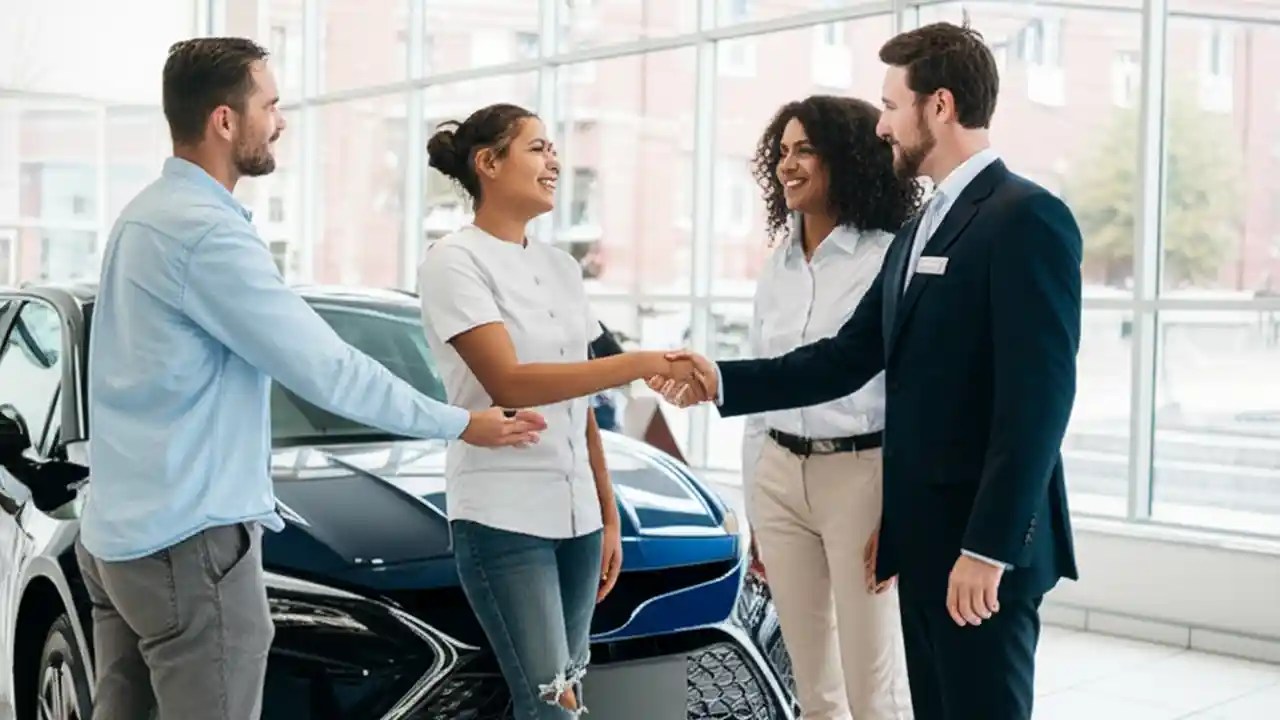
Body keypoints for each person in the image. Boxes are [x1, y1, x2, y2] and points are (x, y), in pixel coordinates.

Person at [77, 38, 546, 720]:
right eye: (269, 105)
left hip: (120, 537)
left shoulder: (144, 216)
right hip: (186, 543)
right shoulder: (206, 233)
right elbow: (326, 368)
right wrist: (461, 421)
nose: (281, 121)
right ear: (225, 120)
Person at [656, 22, 1082, 720]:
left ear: (939, 106)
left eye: (890, 105)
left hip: (981, 549)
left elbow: (1039, 401)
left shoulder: (1026, 216)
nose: (882, 125)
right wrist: (720, 380)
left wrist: (988, 549)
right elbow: (849, 357)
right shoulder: (920, 231)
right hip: (926, 540)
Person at [418, 103, 697, 719]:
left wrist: (608, 514)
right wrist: (638, 362)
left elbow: (580, 404)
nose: (555, 161)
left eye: (552, 148)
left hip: (578, 519)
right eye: (537, 147)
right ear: (488, 163)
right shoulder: (454, 261)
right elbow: (510, 382)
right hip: (503, 517)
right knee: (549, 704)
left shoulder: (561, 267)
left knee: (570, 698)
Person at [738, 95, 918, 720]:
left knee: (873, 686)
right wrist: (755, 505)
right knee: (813, 689)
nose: (787, 164)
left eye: (805, 150)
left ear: (847, 159)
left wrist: (900, 509)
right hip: (780, 477)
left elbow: (910, 393)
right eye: (782, 151)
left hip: (860, 479)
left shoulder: (888, 258)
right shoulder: (777, 265)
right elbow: (762, 388)